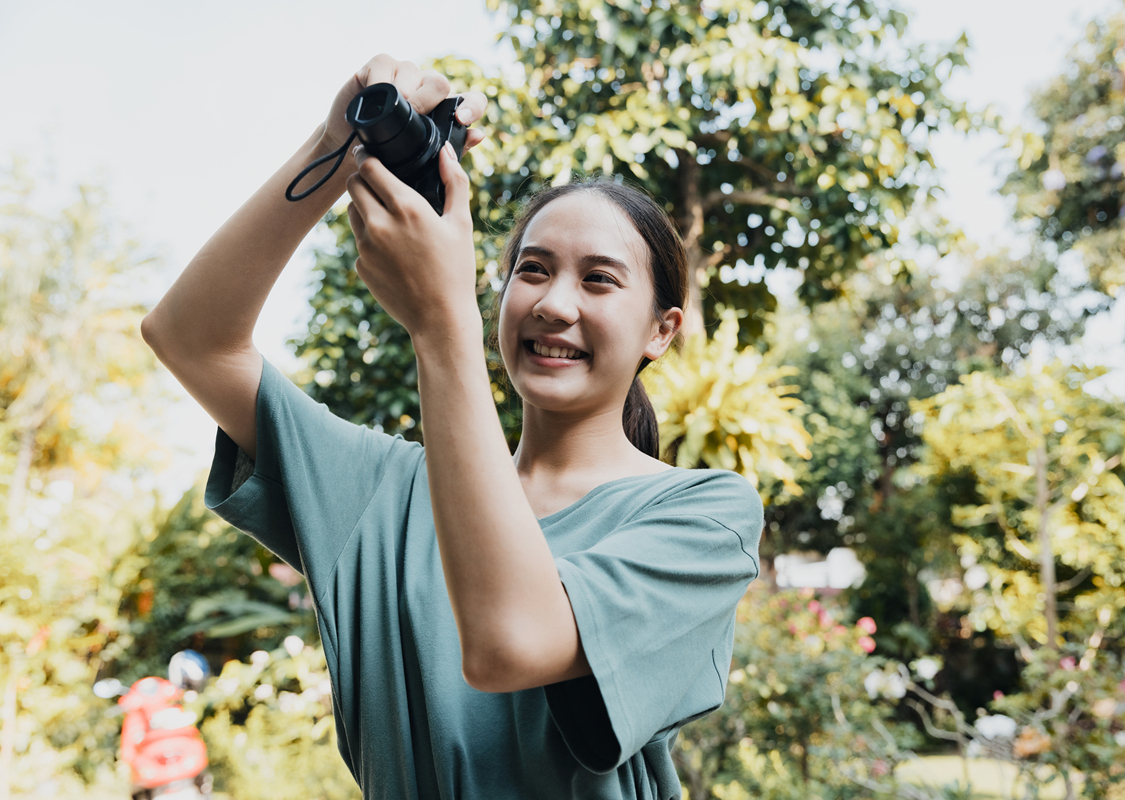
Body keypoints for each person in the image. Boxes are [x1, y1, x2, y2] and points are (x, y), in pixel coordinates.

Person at [141, 54, 764, 800]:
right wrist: (335, 144)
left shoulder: (704, 515)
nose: (554, 303)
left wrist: (442, 327)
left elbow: (509, 644)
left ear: (661, 332)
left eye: (598, 278)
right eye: (532, 270)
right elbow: (190, 336)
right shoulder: (389, 495)